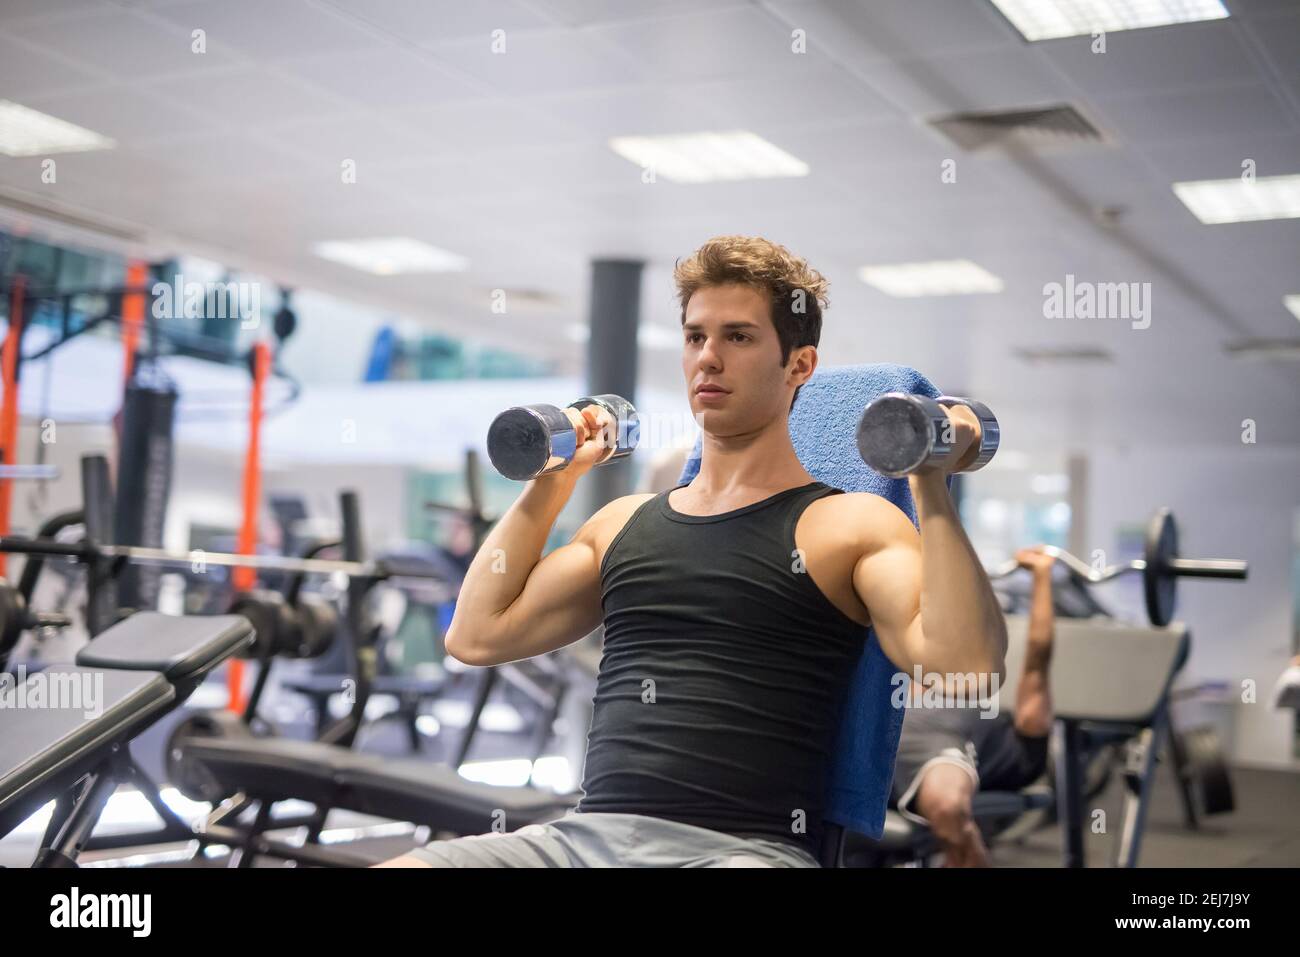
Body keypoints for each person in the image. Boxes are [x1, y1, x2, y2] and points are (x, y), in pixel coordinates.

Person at [378, 235, 1006, 868]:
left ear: (799, 365)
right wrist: (555, 478)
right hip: (578, 842)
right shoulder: (624, 523)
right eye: (695, 336)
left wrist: (928, 479)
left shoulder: (846, 524)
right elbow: (476, 636)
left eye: (738, 337)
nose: (708, 358)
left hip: (740, 853)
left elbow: (962, 663)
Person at [889, 547, 1058, 866]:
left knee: (948, 807)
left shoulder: (1020, 747)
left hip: (921, 757)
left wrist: (1042, 579)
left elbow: (1038, 657)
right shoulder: (921, 678)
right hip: (876, 750)